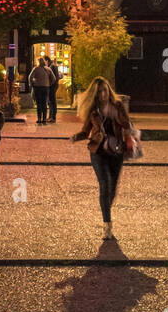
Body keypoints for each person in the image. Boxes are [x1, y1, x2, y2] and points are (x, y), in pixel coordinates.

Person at [73, 77, 137, 241]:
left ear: (109, 90)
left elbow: (127, 124)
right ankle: (107, 224)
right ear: (95, 94)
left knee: (113, 189)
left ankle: (105, 210)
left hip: (116, 152)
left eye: (105, 90)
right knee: (105, 184)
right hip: (98, 151)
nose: (103, 94)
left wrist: (118, 116)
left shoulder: (117, 106)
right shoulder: (93, 110)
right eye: (99, 92)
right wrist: (76, 137)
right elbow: (86, 130)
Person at [28, 58, 54, 124]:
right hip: (46, 88)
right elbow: (54, 78)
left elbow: (30, 77)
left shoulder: (36, 69)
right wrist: (49, 84)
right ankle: (44, 119)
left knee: (39, 104)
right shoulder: (48, 69)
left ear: (38, 62)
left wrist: (32, 84)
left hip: (38, 88)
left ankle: (39, 119)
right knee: (44, 104)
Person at [45, 57, 60, 124]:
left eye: (44, 61)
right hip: (53, 85)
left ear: (47, 60)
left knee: (52, 101)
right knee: (51, 101)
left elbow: (55, 78)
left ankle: (53, 117)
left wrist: (50, 84)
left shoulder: (51, 66)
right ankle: (51, 116)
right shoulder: (53, 66)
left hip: (52, 86)